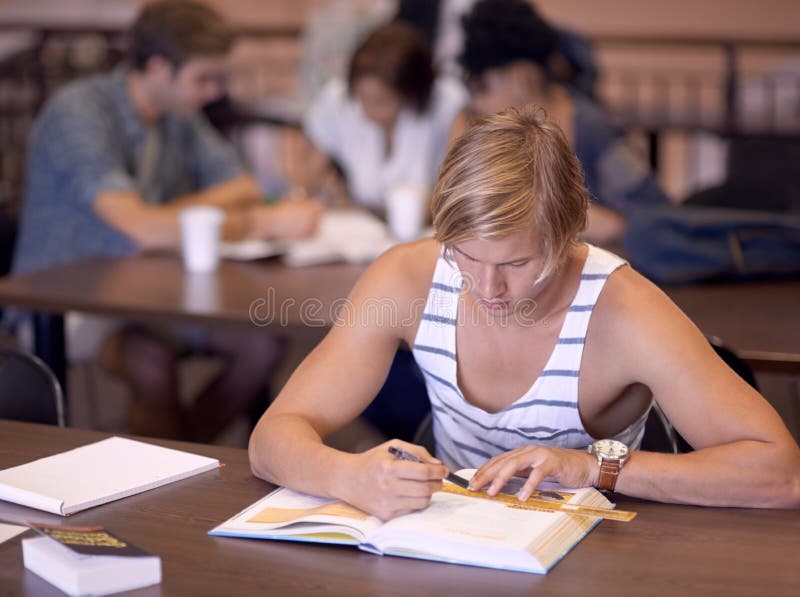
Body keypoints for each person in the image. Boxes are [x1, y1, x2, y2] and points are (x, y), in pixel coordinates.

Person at [249, 105, 800, 520]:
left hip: (606, 548)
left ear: (567, 236)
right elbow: (271, 439)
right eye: (463, 254)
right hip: (454, 540)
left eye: (517, 262)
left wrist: (593, 468)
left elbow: (782, 474)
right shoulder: (406, 277)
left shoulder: (626, 310)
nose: (487, 286)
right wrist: (349, 474)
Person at [10, 1, 322, 441]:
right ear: (159, 68)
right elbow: (138, 228)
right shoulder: (77, 113)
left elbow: (244, 184)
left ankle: (188, 458)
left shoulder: (179, 117)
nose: (214, 92)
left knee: (262, 346)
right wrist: (254, 222)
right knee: (150, 362)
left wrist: (173, 218)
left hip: (150, 289)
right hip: (66, 301)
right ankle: (181, 472)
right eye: (203, 78)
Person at [449, 0, 669, 245]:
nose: (477, 102)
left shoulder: (591, 129)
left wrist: (589, 221)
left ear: (521, 78)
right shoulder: (475, 123)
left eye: (481, 87)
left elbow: (656, 217)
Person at [297, 21, 468, 212]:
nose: (368, 112)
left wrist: (429, 209)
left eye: (381, 101)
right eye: (362, 99)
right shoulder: (338, 100)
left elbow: (462, 191)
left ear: (410, 93)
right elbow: (305, 183)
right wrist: (324, 193)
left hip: (428, 229)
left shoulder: (445, 102)